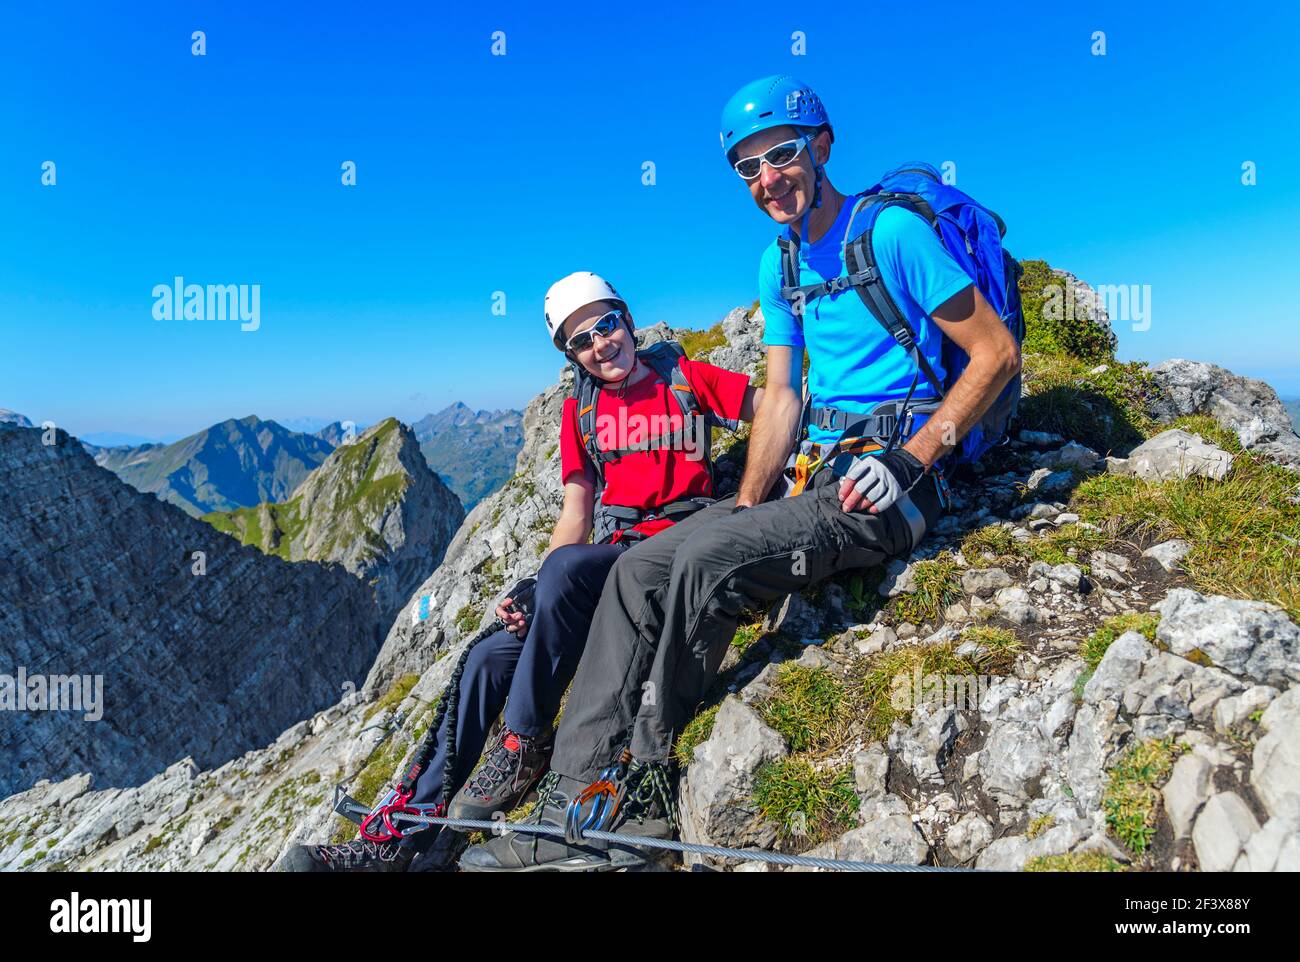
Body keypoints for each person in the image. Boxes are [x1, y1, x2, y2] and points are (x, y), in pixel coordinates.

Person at [461, 75, 1022, 872]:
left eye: (783, 154)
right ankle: (565, 804)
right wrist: (746, 506)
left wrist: (910, 459)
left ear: (822, 147)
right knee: (637, 571)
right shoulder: (781, 261)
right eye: (748, 168)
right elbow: (784, 395)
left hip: (896, 480)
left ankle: (642, 796)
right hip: (821, 471)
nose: (769, 180)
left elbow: (994, 353)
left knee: (702, 560)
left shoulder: (891, 233)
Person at [279, 271, 759, 871]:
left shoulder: (685, 379)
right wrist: (541, 583)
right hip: (602, 561)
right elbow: (577, 509)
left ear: (627, 319)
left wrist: (757, 494)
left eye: (606, 325)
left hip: (661, 556)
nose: (600, 345)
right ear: (571, 355)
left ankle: (523, 743)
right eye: (580, 341)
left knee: (563, 578)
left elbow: (770, 409)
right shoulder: (581, 409)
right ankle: (400, 837)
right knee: (482, 661)